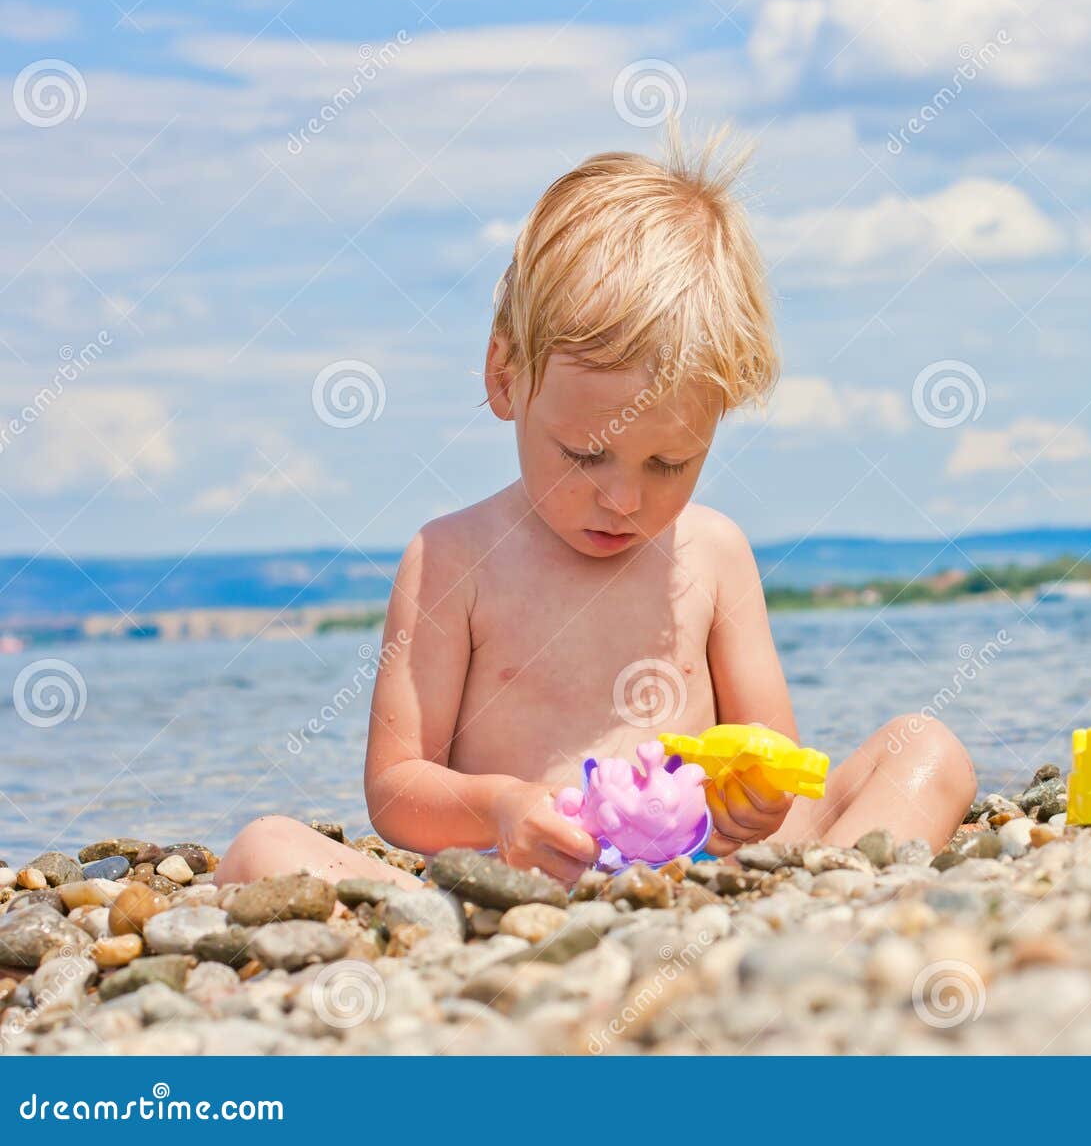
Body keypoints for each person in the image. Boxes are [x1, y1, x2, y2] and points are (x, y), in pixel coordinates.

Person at [217, 132, 975, 889]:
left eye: (670, 463)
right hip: (520, 879)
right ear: (505, 376)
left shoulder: (713, 552)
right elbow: (397, 787)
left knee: (928, 747)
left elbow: (773, 751)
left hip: (708, 868)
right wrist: (503, 807)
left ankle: (839, 901)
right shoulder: (455, 559)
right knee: (265, 846)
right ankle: (830, 898)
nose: (623, 498)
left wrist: (756, 802)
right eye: (584, 455)